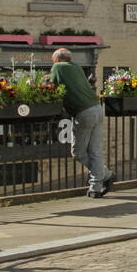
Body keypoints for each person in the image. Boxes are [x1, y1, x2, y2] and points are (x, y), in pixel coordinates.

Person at [48, 48, 114, 197]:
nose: (53, 64)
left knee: (78, 152)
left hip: (83, 112)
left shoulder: (57, 67)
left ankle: (105, 174)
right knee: (95, 151)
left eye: (53, 61)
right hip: (97, 108)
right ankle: (96, 187)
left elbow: (51, 86)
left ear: (57, 60)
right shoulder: (76, 67)